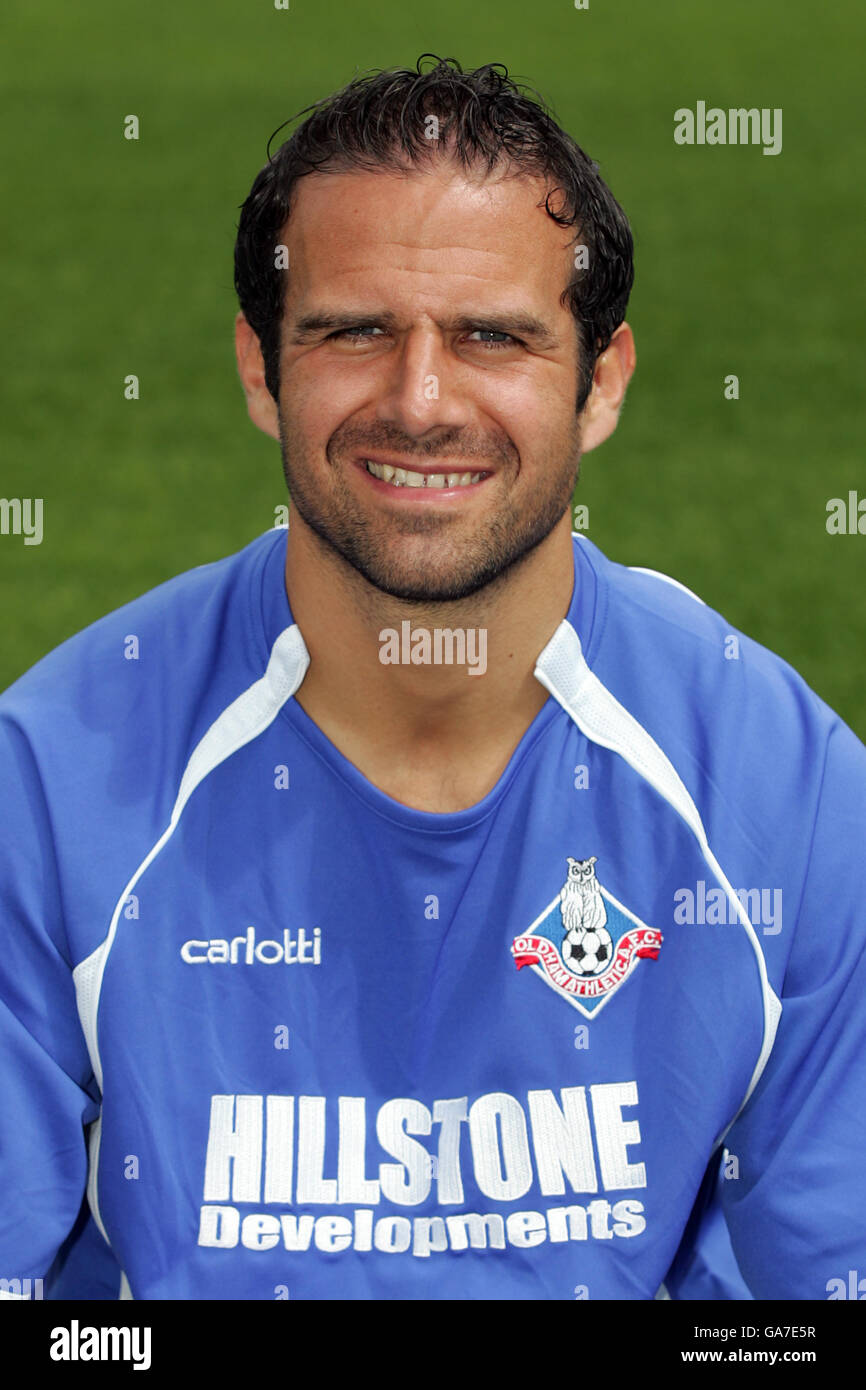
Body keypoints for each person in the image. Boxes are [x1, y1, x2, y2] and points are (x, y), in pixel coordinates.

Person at [1, 55, 863, 1303]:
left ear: (600, 381)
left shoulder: (788, 798)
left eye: (491, 338)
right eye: (353, 331)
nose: (419, 400)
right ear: (260, 367)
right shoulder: (46, 786)